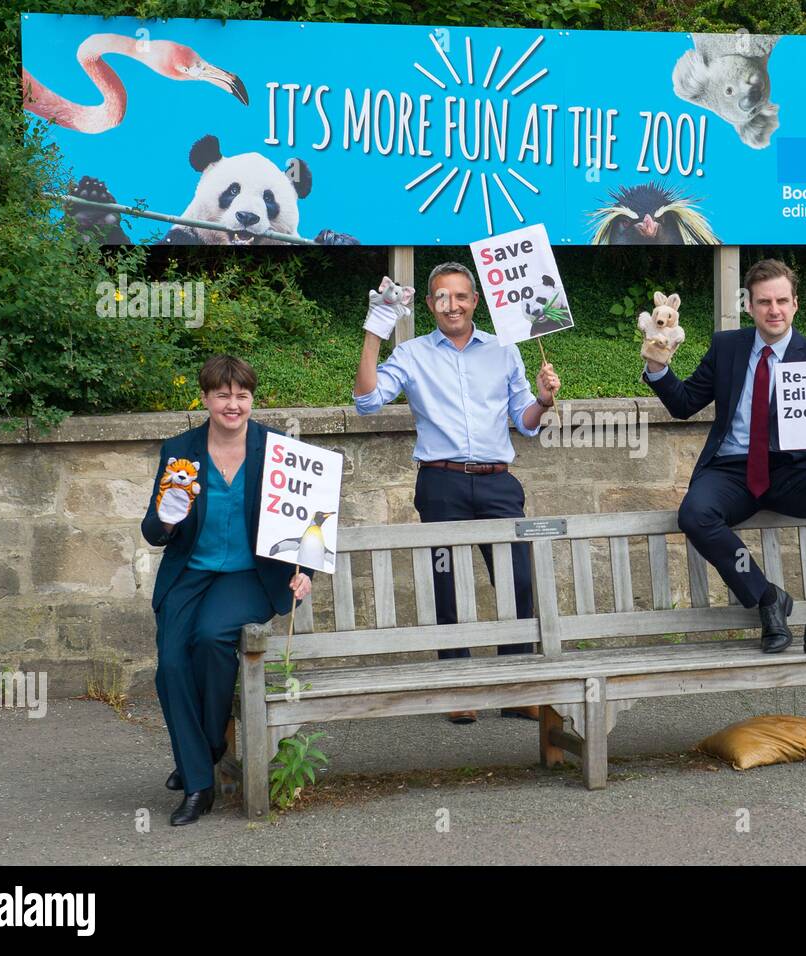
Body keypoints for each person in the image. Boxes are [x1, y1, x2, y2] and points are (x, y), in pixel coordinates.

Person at [353, 262, 560, 724]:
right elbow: (366, 403)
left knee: (517, 578)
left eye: (462, 296)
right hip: (441, 482)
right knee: (445, 580)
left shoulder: (504, 351)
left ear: (475, 301)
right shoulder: (411, 354)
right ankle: (457, 685)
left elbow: (524, 424)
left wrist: (543, 401)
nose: (453, 304)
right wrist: (375, 329)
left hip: (497, 481)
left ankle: (515, 683)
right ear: (430, 305)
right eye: (443, 297)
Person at [643, 258, 806, 656]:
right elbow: (685, 404)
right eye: (764, 302)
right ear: (749, 306)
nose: (773, 310)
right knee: (694, 514)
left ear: (796, 304)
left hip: (792, 472)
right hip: (730, 470)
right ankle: (766, 597)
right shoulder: (728, 347)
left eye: (782, 300)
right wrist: (657, 368)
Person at [141, 355, 312, 826]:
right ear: (206, 398)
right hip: (189, 574)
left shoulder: (279, 449)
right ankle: (206, 749)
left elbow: (309, 517)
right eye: (222, 395)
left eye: (241, 395)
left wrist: (307, 569)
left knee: (212, 637)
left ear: (252, 399)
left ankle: (199, 778)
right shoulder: (180, 450)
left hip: (250, 575)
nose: (232, 404)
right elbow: (153, 530)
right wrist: (168, 517)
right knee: (172, 665)